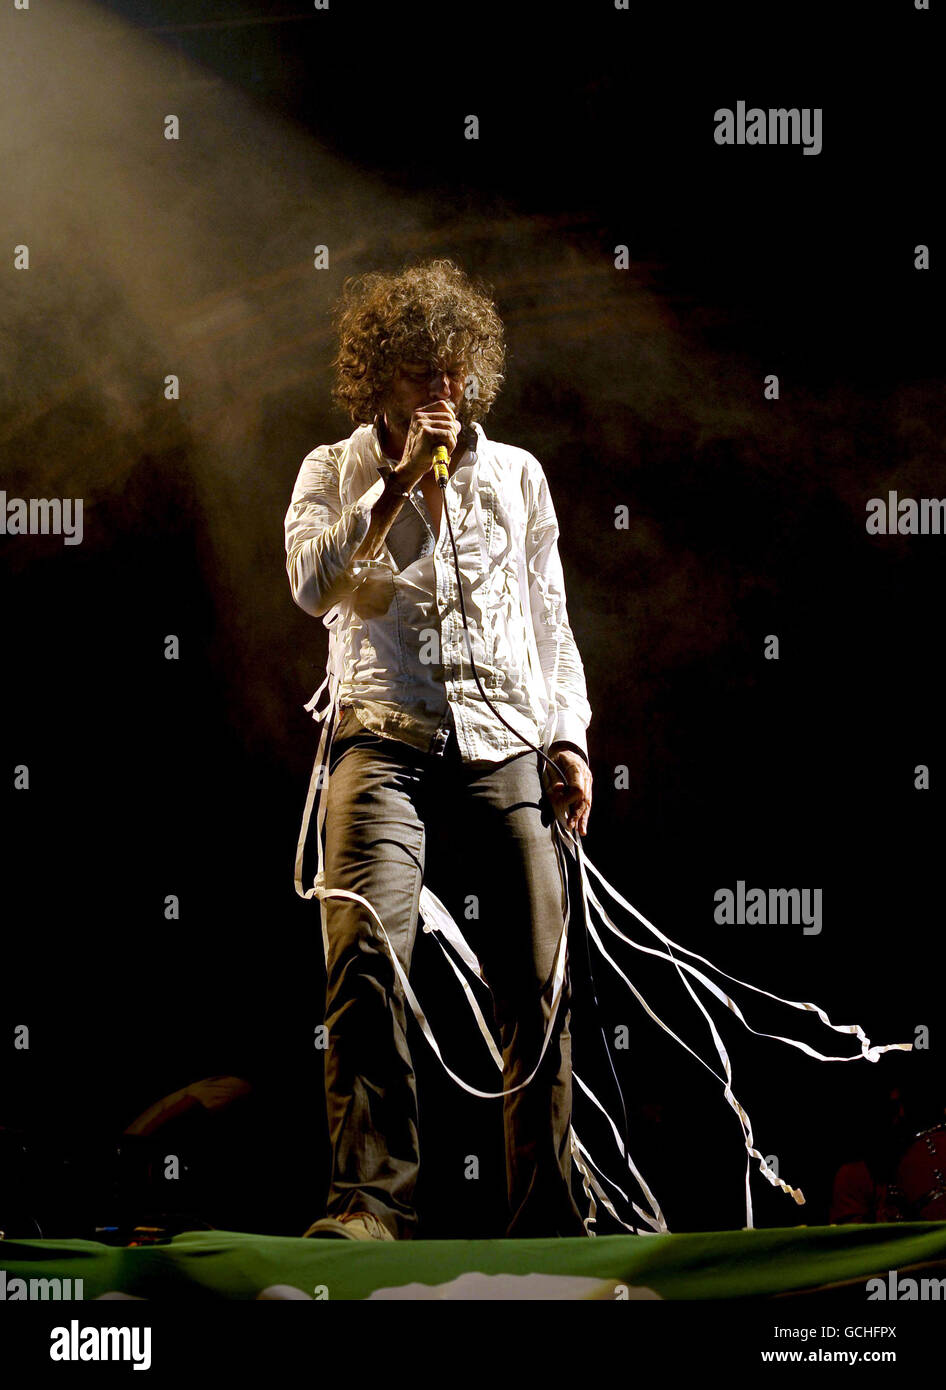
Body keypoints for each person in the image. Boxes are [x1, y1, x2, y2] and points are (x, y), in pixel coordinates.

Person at [284, 259, 594, 1241]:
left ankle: (546, 1213)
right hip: (381, 737)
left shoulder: (517, 476)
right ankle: (370, 1202)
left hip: (505, 741)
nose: (443, 391)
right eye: (423, 371)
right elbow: (315, 586)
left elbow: (549, 617)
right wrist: (397, 488)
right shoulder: (331, 469)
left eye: (456, 372)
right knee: (365, 960)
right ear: (379, 376)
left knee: (538, 978)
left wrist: (568, 738)